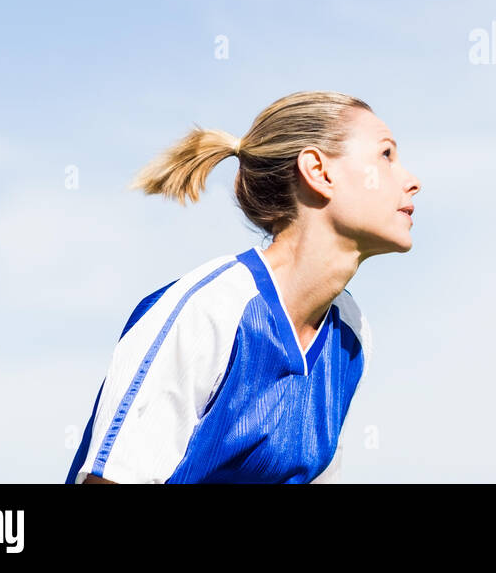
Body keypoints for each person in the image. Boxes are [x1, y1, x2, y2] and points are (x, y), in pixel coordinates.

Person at [64, 91, 420, 483]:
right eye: (386, 155)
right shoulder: (209, 312)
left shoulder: (351, 333)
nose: (412, 181)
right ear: (318, 171)